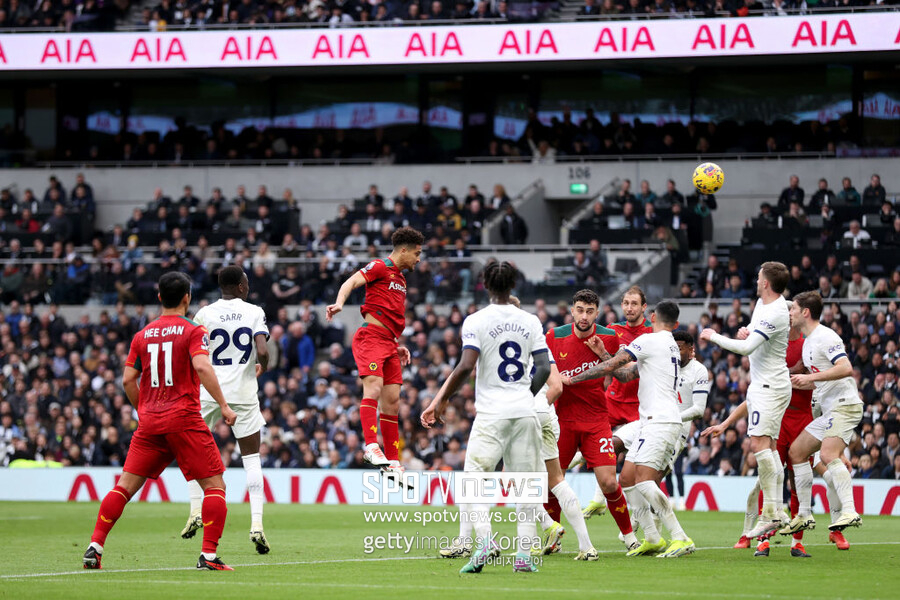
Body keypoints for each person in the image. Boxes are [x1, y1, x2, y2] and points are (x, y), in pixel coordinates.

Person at [83, 272, 237, 571]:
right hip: (184, 419)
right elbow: (203, 367)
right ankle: (208, 556)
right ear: (187, 298)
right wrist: (224, 406)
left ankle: (95, 545)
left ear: (158, 298)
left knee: (124, 487)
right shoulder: (194, 330)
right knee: (215, 486)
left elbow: (128, 379)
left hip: (150, 422)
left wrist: (145, 408)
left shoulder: (142, 335)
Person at [421, 261, 550, 573]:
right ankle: (523, 556)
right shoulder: (530, 320)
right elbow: (544, 368)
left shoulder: (476, 320)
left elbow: (466, 366)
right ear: (513, 285)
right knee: (526, 484)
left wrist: (441, 399)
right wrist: (522, 395)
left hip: (491, 413)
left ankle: (486, 541)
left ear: (485, 285)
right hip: (523, 409)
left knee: (473, 482)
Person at [564, 300, 695, 558]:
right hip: (651, 421)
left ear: (652, 316)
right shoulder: (669, 344)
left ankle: (680, 537)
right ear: (676, 323)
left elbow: (610, 368)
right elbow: (625, 374)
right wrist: (604, 352)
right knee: (626, 479)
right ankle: (653, 537)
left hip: (661, 421)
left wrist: (572, 379)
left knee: (644, 481)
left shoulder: (649, 340)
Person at [181, 266, 271, 555]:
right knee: (252, 460)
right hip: (243, 394)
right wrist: (261, 368)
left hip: (209, 393)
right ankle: (257, 524)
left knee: (196, 452)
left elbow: (193, 353)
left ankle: (195, 510)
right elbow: (264, 351)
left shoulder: (204, 314)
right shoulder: (254, 311)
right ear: (242, 287)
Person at [700, 261, 791, 539]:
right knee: (770, 448)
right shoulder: (762, 305)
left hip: (770, 385)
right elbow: (751, 334)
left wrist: (715, 336)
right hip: (766, 384)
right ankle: (778, 511)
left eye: (759, 277)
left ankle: (770, 514)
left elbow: (746, 348)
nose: (755, 281)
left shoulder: (776, 309)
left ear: (766, 282)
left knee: (759, 445)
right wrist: (745, 331)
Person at [326, 227, 424, 477]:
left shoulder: (401, 279)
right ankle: (370, 445)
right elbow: (352, 281)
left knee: (392, 403)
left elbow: (388, 312)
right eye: (417, 253)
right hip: (371, 338)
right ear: (404, 250)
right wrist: (339, 302)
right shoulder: (380, 266)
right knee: (374, 389)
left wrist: (395, 341)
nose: (418, 259)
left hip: (389, 344)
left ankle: (392, 463)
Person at [546, 289, 639, 551]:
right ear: (572, 310)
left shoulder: (609, 337)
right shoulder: (555, 336)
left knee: (609, 481)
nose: (584, 316)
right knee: (554, 480)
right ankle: (554, 539)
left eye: (589, 311)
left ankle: (629, 537)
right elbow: (539, 369)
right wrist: (554, 380)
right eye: (579, 310)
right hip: (562, 420)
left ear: (597, 313)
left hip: (597, 419)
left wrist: (603, 355)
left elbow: (624, 376)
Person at [781, 291, 864, 543]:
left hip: (845, 405)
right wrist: (791, 382)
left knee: (828, 455)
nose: (790, 313)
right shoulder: (808, 343)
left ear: (805, 312)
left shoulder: (827, 336)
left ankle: (849, 511)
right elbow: (813, 382)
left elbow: (845, 368)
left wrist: (810, 377)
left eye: (793, 308)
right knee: (796, 453)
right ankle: (804, 514)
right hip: (829, 410)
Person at [735, 314, 813, 557]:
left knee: (797, 481)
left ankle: (797, 542)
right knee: (767, 478)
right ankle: (763, 540)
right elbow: (756, 376)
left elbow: (818, 381)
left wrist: (800, 377)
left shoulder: (809, 345)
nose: (788, 322)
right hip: (776, 416)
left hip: (802, 419)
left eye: (791, 317)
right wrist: (744, 333)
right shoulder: (769, 343)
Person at [583, 286, 651, 519]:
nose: (629, 308)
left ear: (644, 307)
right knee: (595, 444)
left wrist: (611, 359)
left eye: (634, 304)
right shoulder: (613, 330)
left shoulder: (652, 333)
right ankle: (596, 500)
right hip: (611, 400)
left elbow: (622, 368)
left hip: (640, 405)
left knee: (634, 464)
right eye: (625, 303)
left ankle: (639, 515)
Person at [667, 330, 711, 511]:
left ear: (691, 349)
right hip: (661, 424)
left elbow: (699, 410)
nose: (675, 353)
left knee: (675, 470)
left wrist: (673, 417)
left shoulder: (699, 370)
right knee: (658, 473)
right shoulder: (667, 367)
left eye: (679, 348)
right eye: (673, 348)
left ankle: (682, 500)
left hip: (680, 430)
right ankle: (668, 500)